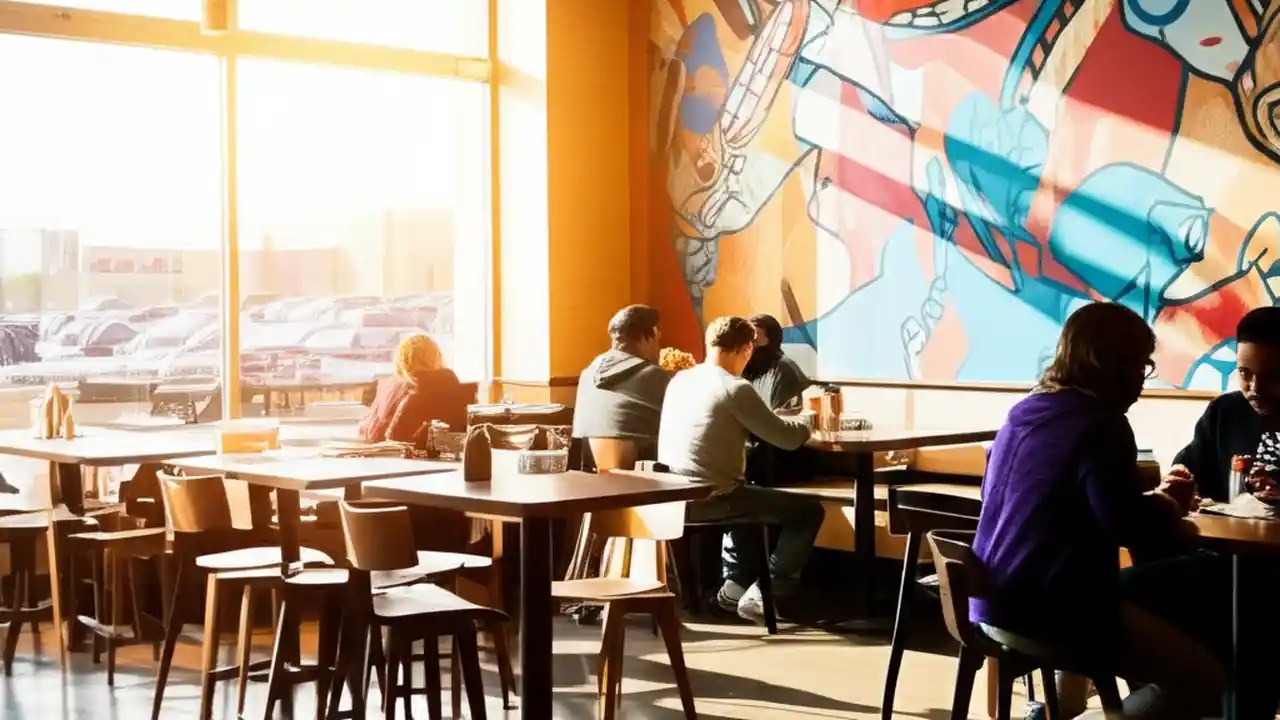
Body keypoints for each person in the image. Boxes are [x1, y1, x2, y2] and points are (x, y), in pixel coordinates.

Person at [972, 302, 1224, 719]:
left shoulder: (1026, 411)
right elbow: (1124, 525)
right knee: (1204, 678)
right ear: (1114, 364)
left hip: (992, 601)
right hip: (1051, 611)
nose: (1142, 382)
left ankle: (1063, 706)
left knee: (1136, 592)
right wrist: (1166, 503)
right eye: (1141, 366)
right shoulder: (1100, 424)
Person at [658, 315, 824, 623]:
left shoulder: (680, 380)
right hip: (711, 498)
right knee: (808, 512)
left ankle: (732, 592)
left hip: (670, 495)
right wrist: (812, 416)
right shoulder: (735, 388)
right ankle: (766, 593)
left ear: (708, 344)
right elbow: (787, 439)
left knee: (747, 492)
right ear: (747, 348)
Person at [1163, 305, 1280, 719]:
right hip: (1225, 564)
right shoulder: (1225, 413)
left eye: (1271, 375)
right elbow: (1188, 470)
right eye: (1245, 373)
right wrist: (1178, 481)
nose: (1255, 387)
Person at [572, 305, 671, 459]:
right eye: (658, 339)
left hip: (588, 475)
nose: (659, 349)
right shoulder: (653, 375)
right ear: (648, 336)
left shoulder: (587, 374)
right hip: (641, 476)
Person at [359, 333, 470, 446]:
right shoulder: (452, 386)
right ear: (437, 357)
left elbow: (373, 433)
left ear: (403, 361)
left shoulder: (391, 387)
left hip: (395, 454)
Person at [742, 314, 809, 410]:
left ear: (771, 342)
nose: (749, 346)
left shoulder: (784, 370)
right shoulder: (749, 370)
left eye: (755, 341)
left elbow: (783, 419)